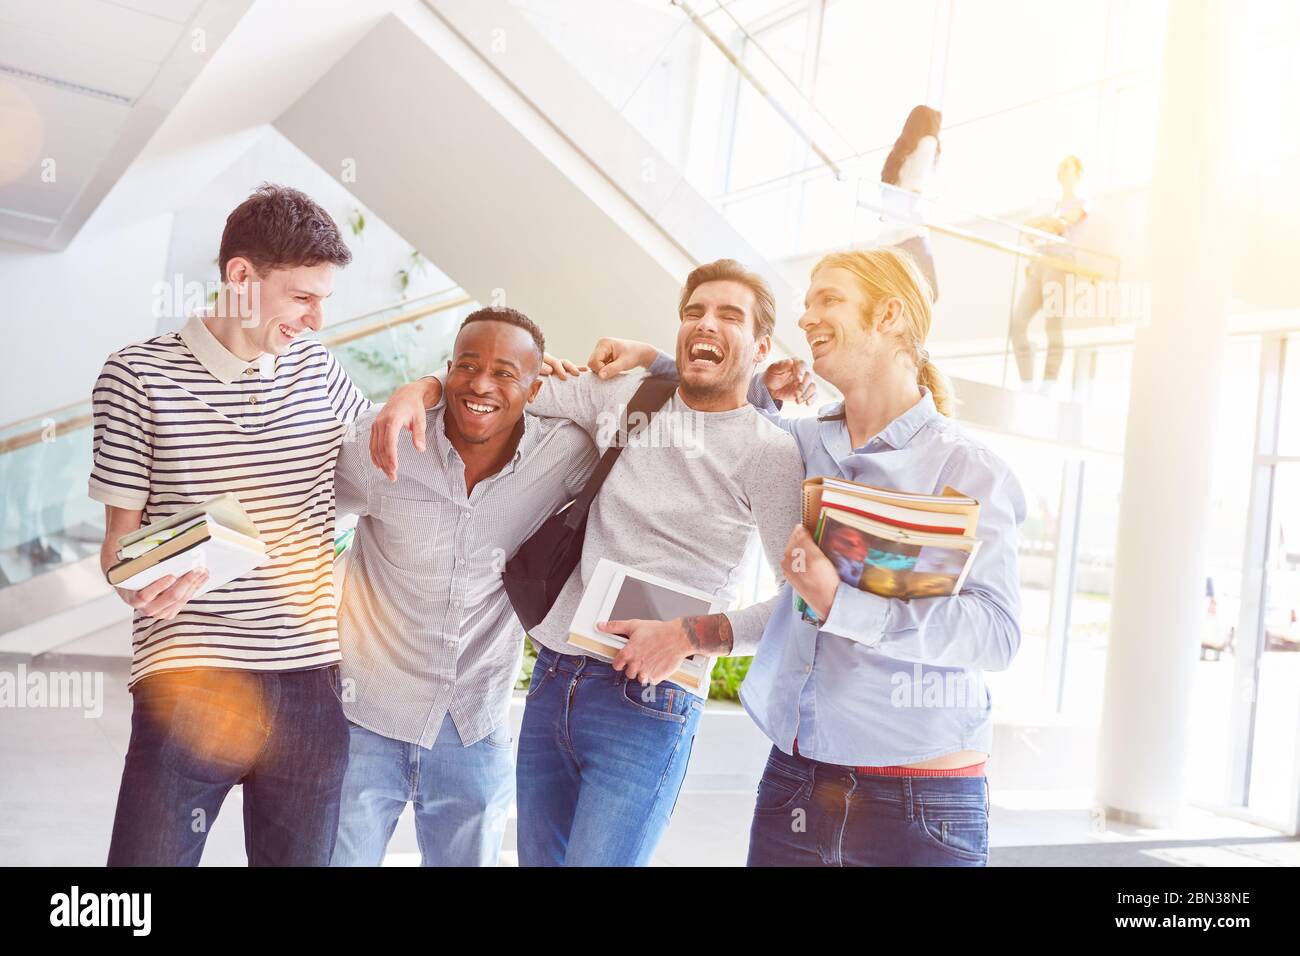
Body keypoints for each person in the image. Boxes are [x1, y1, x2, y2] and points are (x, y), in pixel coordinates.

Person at [589, 246, 1026, 866]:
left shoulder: (966, 468)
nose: (808, 317)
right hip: (795, 781)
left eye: (829, 300)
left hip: (920, 799)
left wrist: (839, 603)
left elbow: (997, 635)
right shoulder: (797, 442)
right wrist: (654, 359)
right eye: (808, 302)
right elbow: (720, 402)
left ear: (890, 316)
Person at [371, 259, 806, 866]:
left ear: (761, 348)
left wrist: (691, 635)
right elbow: (493, 386)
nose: (706, 323)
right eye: (694, 312)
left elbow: (805, 600)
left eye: (728, 316)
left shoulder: (770, 451)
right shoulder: (631, 395)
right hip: (555, 678)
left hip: (649, 699)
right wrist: (419, 387)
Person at [91, 184, 367, 866]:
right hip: (190, 675)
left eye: (324, 300)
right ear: (242, 277)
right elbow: (120, 548)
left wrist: (425, 393)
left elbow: (385, 461)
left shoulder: (320, 370)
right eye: (302, 297)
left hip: (310, 682)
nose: (315, 318)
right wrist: (142, 577)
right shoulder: (137, 376)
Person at [329, 307, 599, 866]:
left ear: (537, 385)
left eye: (505, 372)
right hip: (363, 718)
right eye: (467, 367)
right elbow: (296, 516)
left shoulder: (565, 453)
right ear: (447, 370)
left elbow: (651, 418)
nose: (480, 384)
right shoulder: (386, 441)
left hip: (473, 724)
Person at [1009, 154, 1089, 389]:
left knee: (1052, 325)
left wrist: (1042, 222)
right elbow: (1028, 229)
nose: (1061, 170)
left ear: (1078, 174)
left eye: (1067, 167)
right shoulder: (1050, 205)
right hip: (1038, 265)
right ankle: (1027, 382)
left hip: (1060, 266)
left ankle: (1048, 384)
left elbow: (1059, 225)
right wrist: (1045, 222)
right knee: (1018, 323)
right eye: (1060, 166)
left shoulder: (1081, 203)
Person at [879, 105, 942, 303]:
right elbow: (918, 182)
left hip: (889, 235)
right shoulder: (928, 142)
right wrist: (918, 213)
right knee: (929, 293)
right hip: (911, 231)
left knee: (897, 294)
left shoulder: (900, 153)